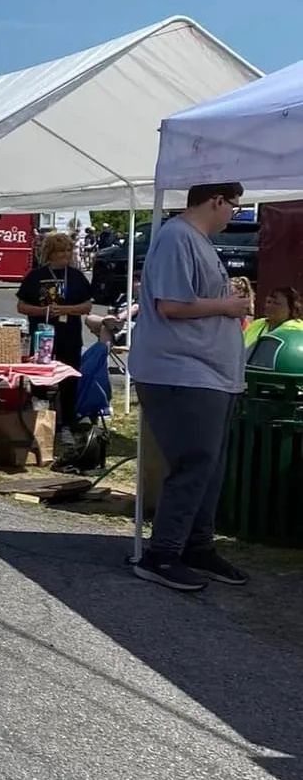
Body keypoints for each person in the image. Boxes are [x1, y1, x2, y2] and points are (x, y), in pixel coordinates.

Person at [128, 183, 250, 592]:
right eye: (234, 205)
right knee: (194, 463)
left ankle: (197, 547)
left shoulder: (194, 240)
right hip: (180, 373)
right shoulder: (177, 236)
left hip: (209, 375)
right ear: (216, 201)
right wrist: (228, 306)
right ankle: (161, 555)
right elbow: (171, 305)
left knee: (209, 468)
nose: (234, 213)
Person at [16, 231, 93, 443]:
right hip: (42, 334)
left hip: (69, 335)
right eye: (61, 251)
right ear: (50, 252)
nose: (65, 255)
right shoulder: (35, 276)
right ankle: (39, 422)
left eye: (68, 250)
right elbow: (21, 306)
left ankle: (67, 423)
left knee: (69, 379)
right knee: (40, 376)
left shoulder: (76, 276)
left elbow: (87, 306)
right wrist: (44, 311)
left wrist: (67, 309)